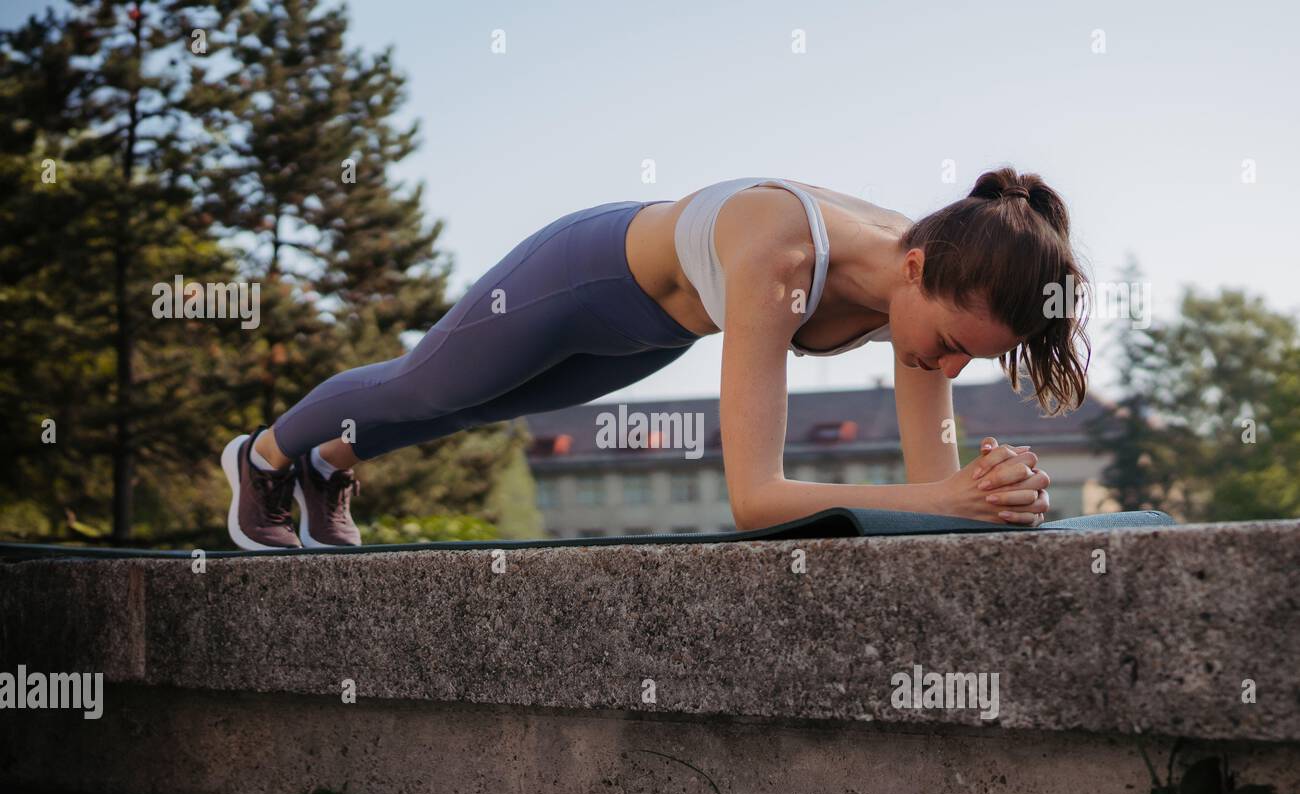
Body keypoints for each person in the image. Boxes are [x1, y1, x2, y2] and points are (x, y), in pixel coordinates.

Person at [221, 167, 1088, 549]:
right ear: (912, 268)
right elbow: (756, 500)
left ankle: (328, 463)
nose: (945, 371)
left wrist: (992, 499)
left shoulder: (926, 300)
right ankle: (263, 457)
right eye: (947, 348)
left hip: (654, 328)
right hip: (578, 275)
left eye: (971, 361)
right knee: (423, 384)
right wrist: (943, 496)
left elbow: (933, 499)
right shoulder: (784, 259)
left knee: (476, 409)